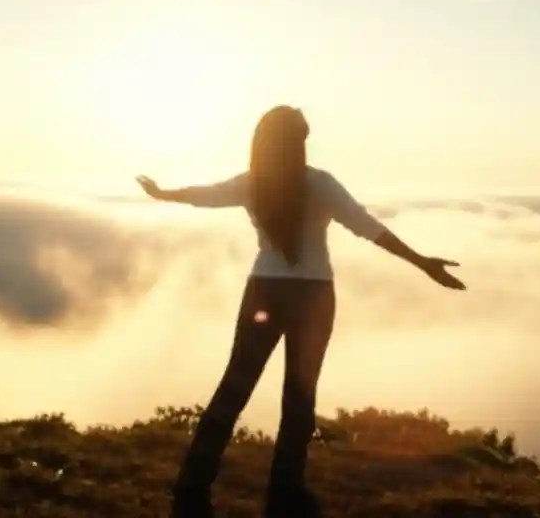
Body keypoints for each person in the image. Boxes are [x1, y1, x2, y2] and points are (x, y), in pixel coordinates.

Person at [136, 105, 465, 518]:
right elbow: (369, 228)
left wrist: (164, 194)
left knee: (234, 389)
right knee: (299, 398)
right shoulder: (320, 184)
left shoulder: (252, 184)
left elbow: (206, 195)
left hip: (264, 292)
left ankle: (192, 488)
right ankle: (284, 494)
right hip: (313, 297)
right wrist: (423, 263)